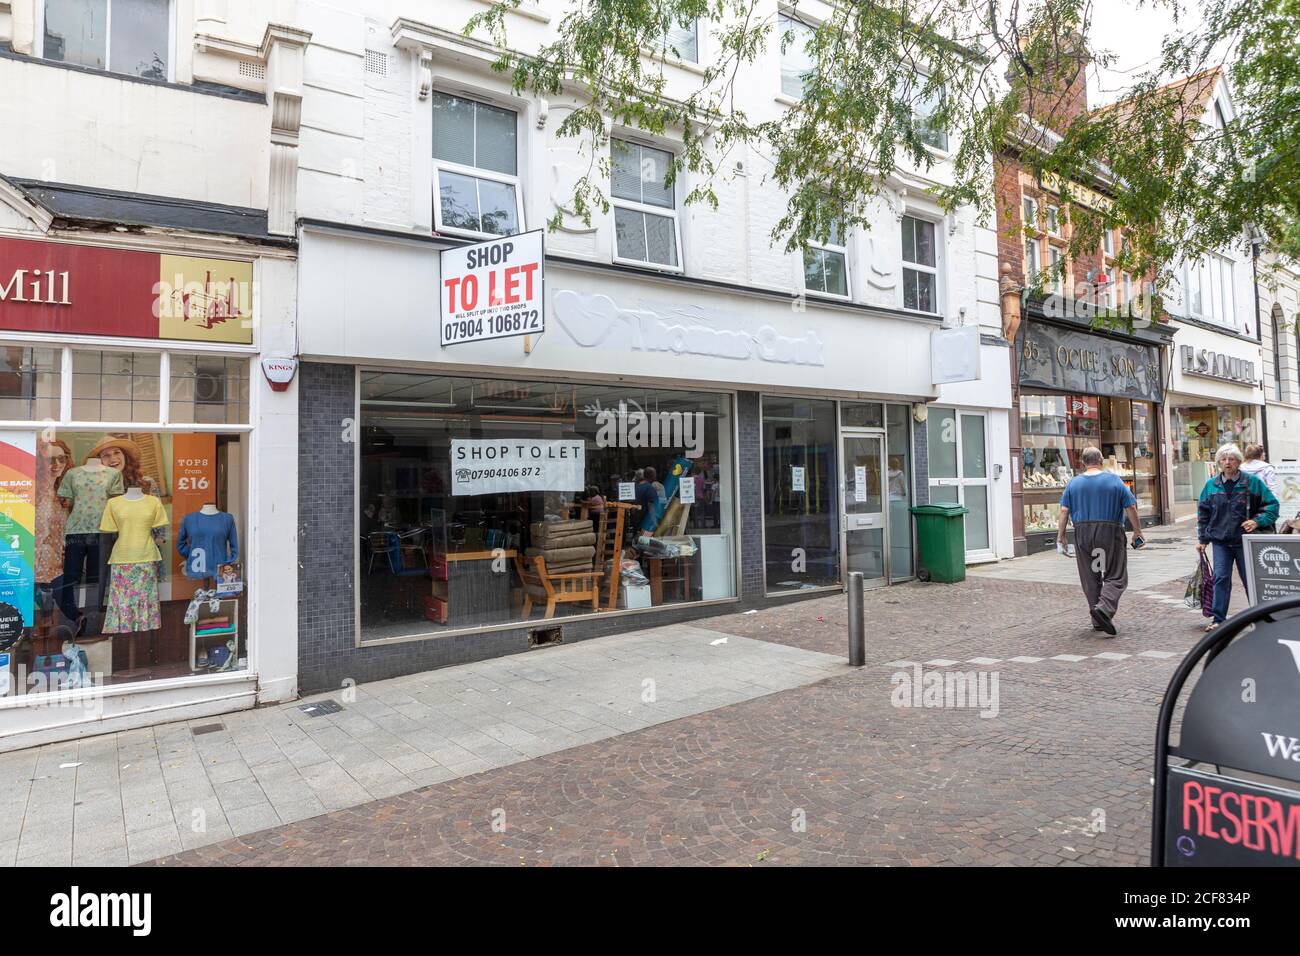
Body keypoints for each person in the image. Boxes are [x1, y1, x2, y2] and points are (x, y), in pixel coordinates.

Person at [1056, 446, 1146, 636]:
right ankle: (1103, 609)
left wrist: (1061, 537)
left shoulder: (1074, 483)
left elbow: (1064, 511)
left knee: (1090, 575)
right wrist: (1137, 532)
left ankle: (1097, 619)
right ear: (1101, 460)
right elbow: (1130, 507)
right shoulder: (1114, 480)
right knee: (1116, 574)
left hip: (1083, 532)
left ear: (1083, 462)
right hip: (1110, 530)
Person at [1197, 442, 1279, 631]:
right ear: (1218, 463)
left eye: (1231, 459)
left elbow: (1272, 505)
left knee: (1250, 579)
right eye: (1223, 459)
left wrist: (1257, 521)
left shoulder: (1252, 483)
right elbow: (1203, 514)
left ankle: (1260, 617)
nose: (1227, 462)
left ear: (1239, 462)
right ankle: (1218, 619)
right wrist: (1202, 540)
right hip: (1220, 541)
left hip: (1246, 541)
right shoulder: (1211, 486)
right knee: (1220, 578)